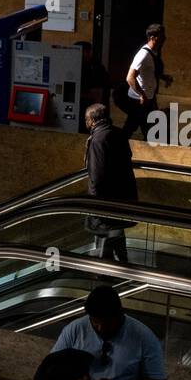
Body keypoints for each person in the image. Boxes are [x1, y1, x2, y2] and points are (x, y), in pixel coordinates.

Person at [83, 102, 138, 262]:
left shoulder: (98, 140)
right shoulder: (119, 134)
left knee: (104, 237)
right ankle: (123, 264)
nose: (85, 123)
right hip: (123, 198)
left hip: (105, 202)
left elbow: (97, 176)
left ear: (92, 120)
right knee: (117, 233)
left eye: (86, 119)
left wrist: (94, 205)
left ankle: (105, 271)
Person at [118, 23, 173, 140]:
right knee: (139, 128)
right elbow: (130, 77)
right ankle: (116, 148)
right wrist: (141, 94)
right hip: (138, 101)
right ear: (152, 38)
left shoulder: (154, 53)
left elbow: (149, 71)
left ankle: (119, 146)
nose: (164, 39)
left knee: (141, 127)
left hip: (149, 98)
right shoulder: (143, 54)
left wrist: (163, 77)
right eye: (162, 36)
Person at [78, 41, 109, 115]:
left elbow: (97, 94)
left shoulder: (96, 67)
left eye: (87, 52)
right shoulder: (75, 65)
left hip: (93, 107)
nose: (86, 54)